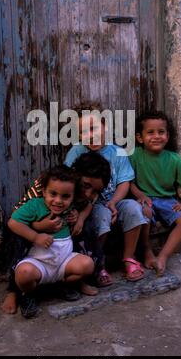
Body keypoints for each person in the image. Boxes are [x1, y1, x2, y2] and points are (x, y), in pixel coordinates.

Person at [65, 104, 148, 287]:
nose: (90, 134)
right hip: (91, 205)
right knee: (101, 215)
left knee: (134, 208)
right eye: (83, 131)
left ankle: (128, 258)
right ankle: (98, 262)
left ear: (106, 126)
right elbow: (68, 181)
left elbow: (124, 182)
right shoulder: (76, 152)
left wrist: (114, 202)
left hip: (114, 200)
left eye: (94, 128)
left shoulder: (117, 151)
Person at [8, 165, 94, 318]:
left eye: (65, 196)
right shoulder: (35, 205)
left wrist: (79, 218)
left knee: (87, 265)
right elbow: (13, 223)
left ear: (73, 196)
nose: (58, 201)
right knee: (23, 274)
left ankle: (61, 285)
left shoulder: (71, 207)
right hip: (38, 263)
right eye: (53, 194)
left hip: (63, 263)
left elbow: (88, 204)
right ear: (43, 191)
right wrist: (36, 236)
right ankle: (27, 294)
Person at [129, 111, 181, 276]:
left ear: (167, 136)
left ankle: (163, 257)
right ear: (140, 138)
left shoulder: (173, 158)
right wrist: (140, 196)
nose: (156, 136)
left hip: (167, 200)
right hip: (145, 199)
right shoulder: (135, 155)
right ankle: (146, 251)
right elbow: (129, 182)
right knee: (143, 213)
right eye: (150, 132)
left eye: (161, 132)